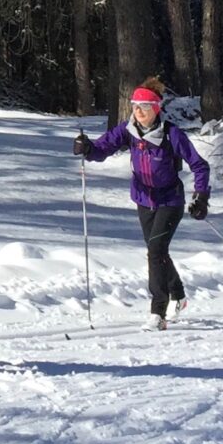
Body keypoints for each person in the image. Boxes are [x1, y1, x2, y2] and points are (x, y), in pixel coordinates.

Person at [72, 77, 211, 331]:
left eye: (143, 108)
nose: (138, 112)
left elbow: (199, 165)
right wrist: (86, 148)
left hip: (170, 200)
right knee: (157, 252)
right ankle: (179, 294)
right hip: (143, 199)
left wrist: (201, 195)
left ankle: (158, 312)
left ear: (155, 109)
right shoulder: (128, 131)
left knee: (156, 250)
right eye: (135, 107)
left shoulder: (171, 134)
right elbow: (102, 148)